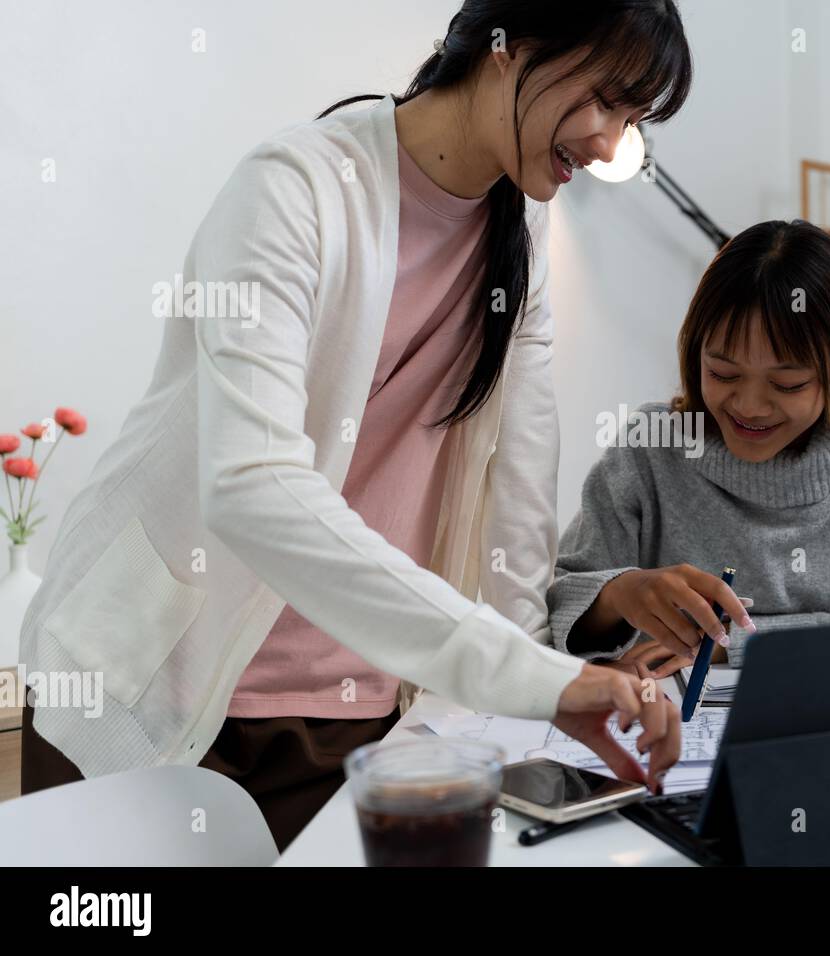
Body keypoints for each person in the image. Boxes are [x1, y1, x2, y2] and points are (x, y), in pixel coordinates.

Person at [20, 0, 693, 850]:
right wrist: (535, 678)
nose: (608, 143)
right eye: (603, 99)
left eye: (632, 119)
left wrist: (535, 697)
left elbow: (516, 506)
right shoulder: (293, 187)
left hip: (357, 713)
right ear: (508, 46)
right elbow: (253, 486)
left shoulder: (522, 237)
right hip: (153, 680)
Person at [549, 220, 830, 677]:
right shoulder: (651, 445)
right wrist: (619, 592)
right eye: (723, 374)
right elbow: (556, 608)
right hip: (671, 717)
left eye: (787, 383)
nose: (750, 407)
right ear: (696, 354)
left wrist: (734, 644)